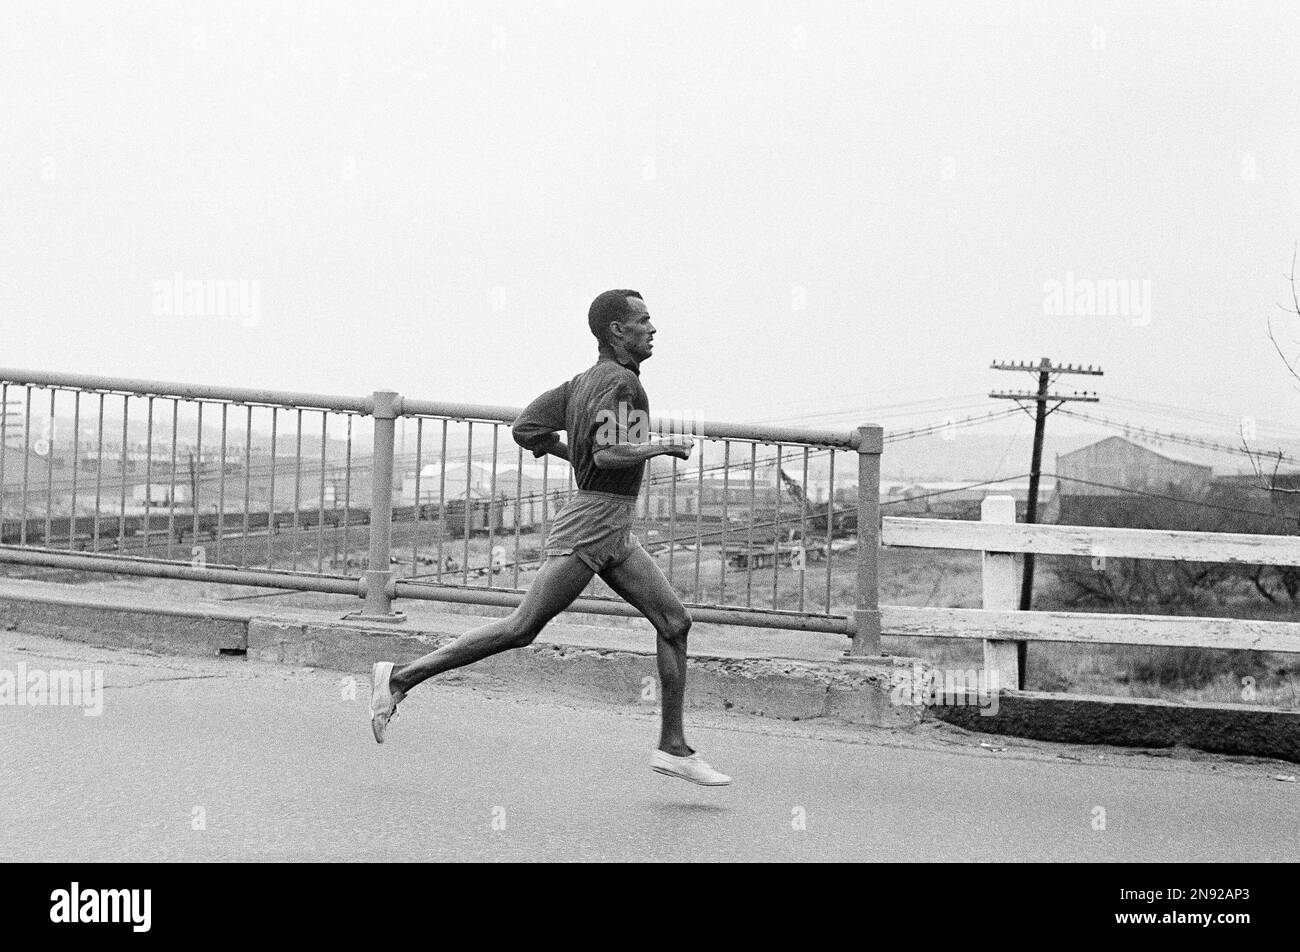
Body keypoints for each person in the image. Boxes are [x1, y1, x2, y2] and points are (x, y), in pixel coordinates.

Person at [369, 289, 730, 786]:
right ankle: (399, 677)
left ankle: (673, 747)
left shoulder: (582, 382)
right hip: (592, 523)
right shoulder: (623, 384)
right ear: (616, 331)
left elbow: (527, 428)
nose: (653, 329)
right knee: (522, 628)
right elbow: (607, 455)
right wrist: (661, 446)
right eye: (643, 321)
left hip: (613, 525)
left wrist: (575, 455)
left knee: (674, 622)